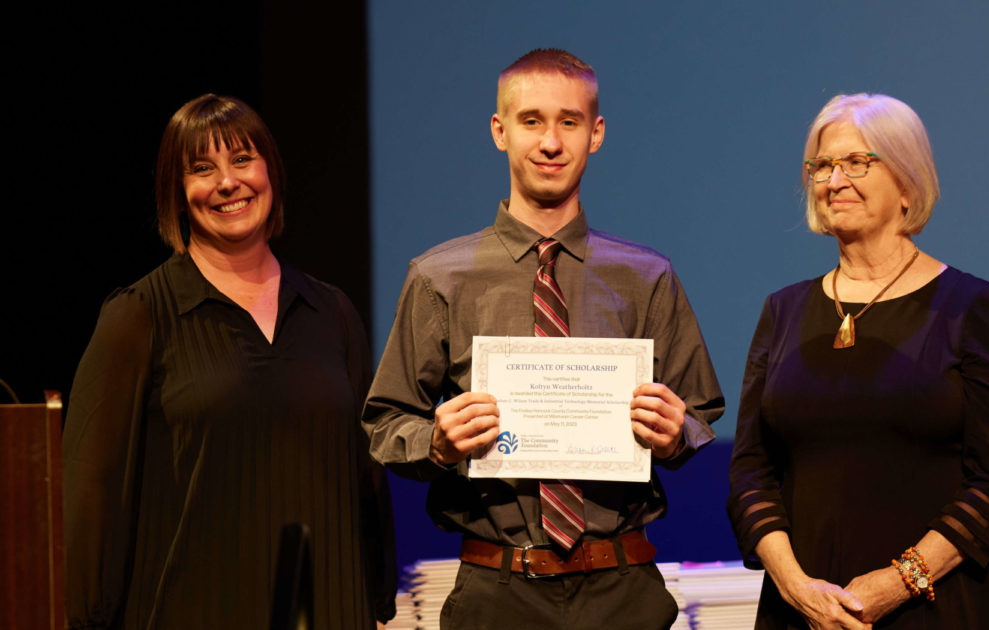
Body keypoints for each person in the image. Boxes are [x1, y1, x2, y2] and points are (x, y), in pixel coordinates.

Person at [363, 49, 724, 630]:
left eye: (569, 121)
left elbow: (699, 412)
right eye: (531, 121)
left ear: (596, 134)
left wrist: (673, 432)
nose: (550, 142)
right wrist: (437, 440)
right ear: (499, 131)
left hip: (622, 588)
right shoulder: (439, 277)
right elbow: (385, 424)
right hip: (496, 590)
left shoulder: (646, 276)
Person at [63, 94, 397, 629]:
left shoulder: (331, 311)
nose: (226, 182)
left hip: (330, 609)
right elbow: (93, 492)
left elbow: (366, 472)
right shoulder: (139, 317)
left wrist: (379, 598)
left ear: (271, 172)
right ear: (177, 191)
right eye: (201, 169)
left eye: (242, 160)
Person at [727, 93, 989, 630]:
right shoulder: (783, 310)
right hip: (804, 611)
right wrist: (798, 589)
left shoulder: (971, 307)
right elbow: (752, 472)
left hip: (936, 606)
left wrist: (896, 583)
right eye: (821, 165)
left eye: (857, 162)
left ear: (908, 183)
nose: (834, 180)